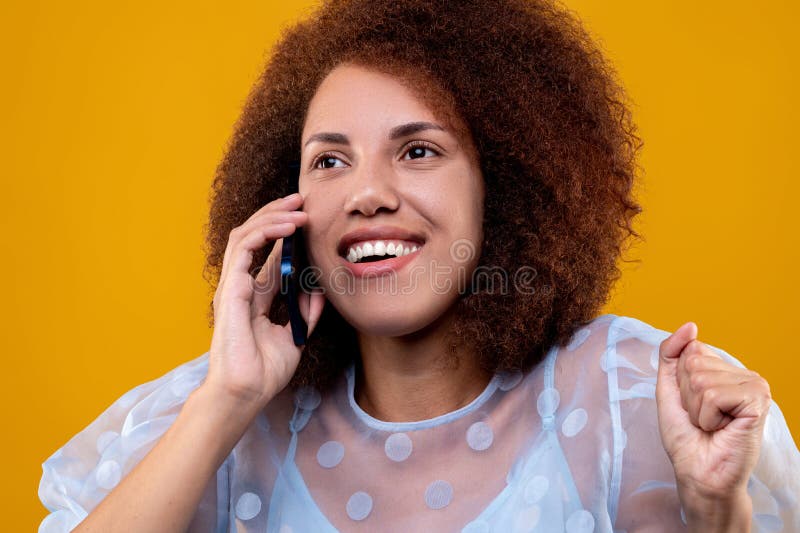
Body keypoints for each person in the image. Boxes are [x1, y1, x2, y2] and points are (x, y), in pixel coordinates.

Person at [38, 0, 800, 531]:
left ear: (500, 183)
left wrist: (713, 510)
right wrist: (226, 398)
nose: (366, 194)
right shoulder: (227, 422)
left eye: (418, 150)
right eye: (329, 159)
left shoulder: (633, 398)